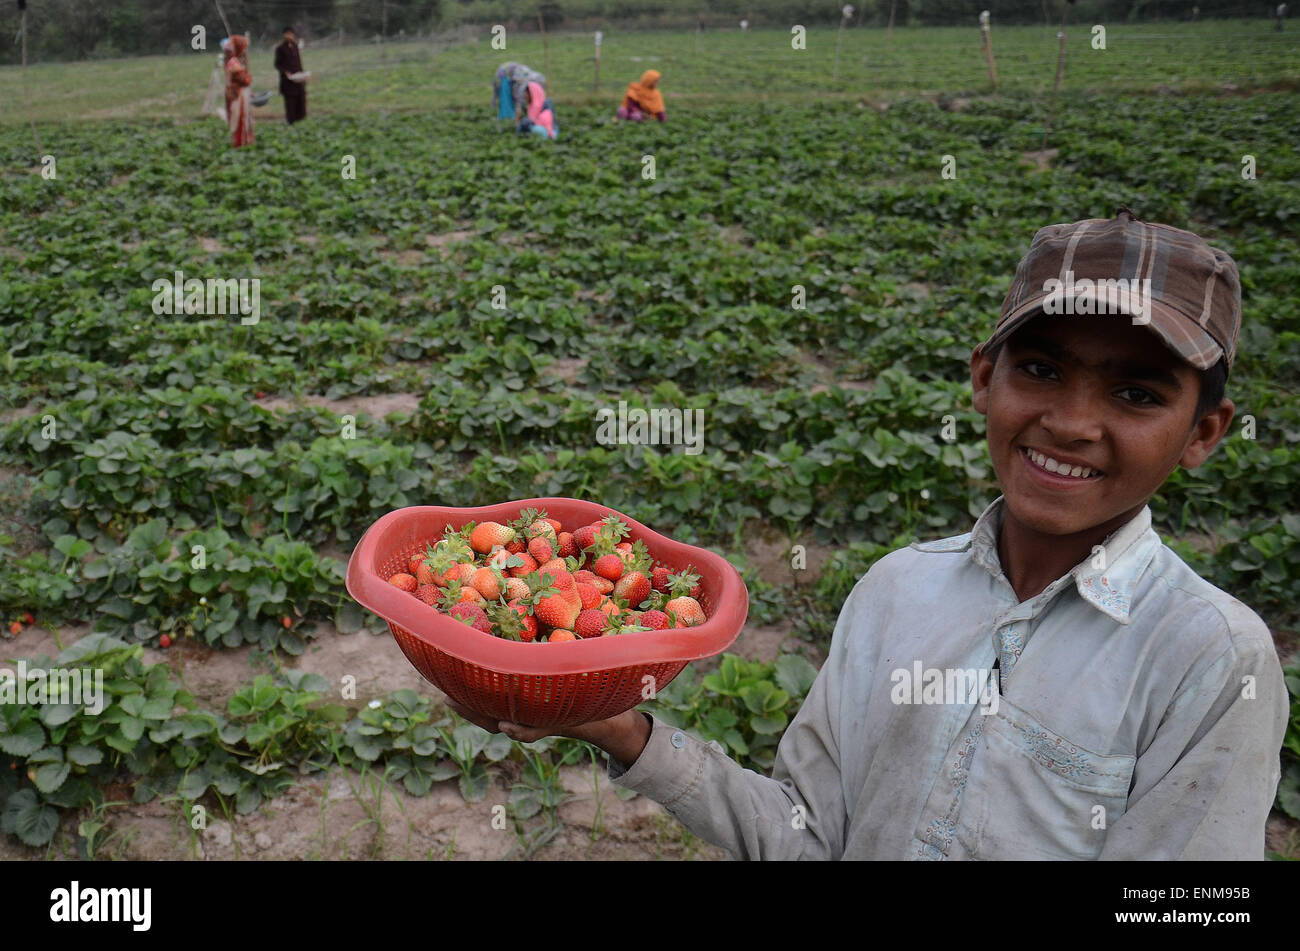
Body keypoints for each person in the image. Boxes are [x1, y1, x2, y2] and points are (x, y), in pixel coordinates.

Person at [448, 208, 1289, 860]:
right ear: (985, 378)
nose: (1070, 422)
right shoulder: (897, 591)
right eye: (1041, 370)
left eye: (1137, 394)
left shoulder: (1210, 658)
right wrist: (615, 722)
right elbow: (806, 836)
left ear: (1206, 432)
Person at [224, 35, 254, 147]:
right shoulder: (234, 63)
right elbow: (245, 80)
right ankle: (240, 142)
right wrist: (247, 76)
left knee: (240, 117)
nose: (245, 50)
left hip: (238, 94)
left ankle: (242, 141)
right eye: (244, 47)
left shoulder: (235, 61)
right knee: (239, 118)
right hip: (237, 95)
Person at [274, 25, 308, 124]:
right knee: (290, 103)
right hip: (288, 81)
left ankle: (301, 121)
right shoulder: (280, 48)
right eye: (287, 34)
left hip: (299, 78)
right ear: (284, 35)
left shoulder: (295, 46)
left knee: (301, 102)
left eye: (291, 34)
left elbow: (298, 62)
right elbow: (277, 64)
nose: (290, 36)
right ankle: (291, 123)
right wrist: (285, 72)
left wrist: (303, 74)